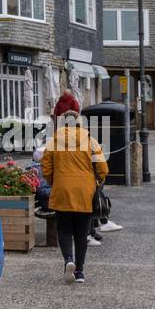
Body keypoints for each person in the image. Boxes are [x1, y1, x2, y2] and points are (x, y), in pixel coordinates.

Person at [42, 111, 108, 284]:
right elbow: (102, 168)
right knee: (81, 233)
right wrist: (97, 182)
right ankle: (79, 272)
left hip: (62, 190)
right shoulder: (91, 141)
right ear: (81, 124)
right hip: (85, 192)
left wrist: (54, 182)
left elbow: (46, 168)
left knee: (64, 230)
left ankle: (68, 260)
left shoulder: (54, 142)